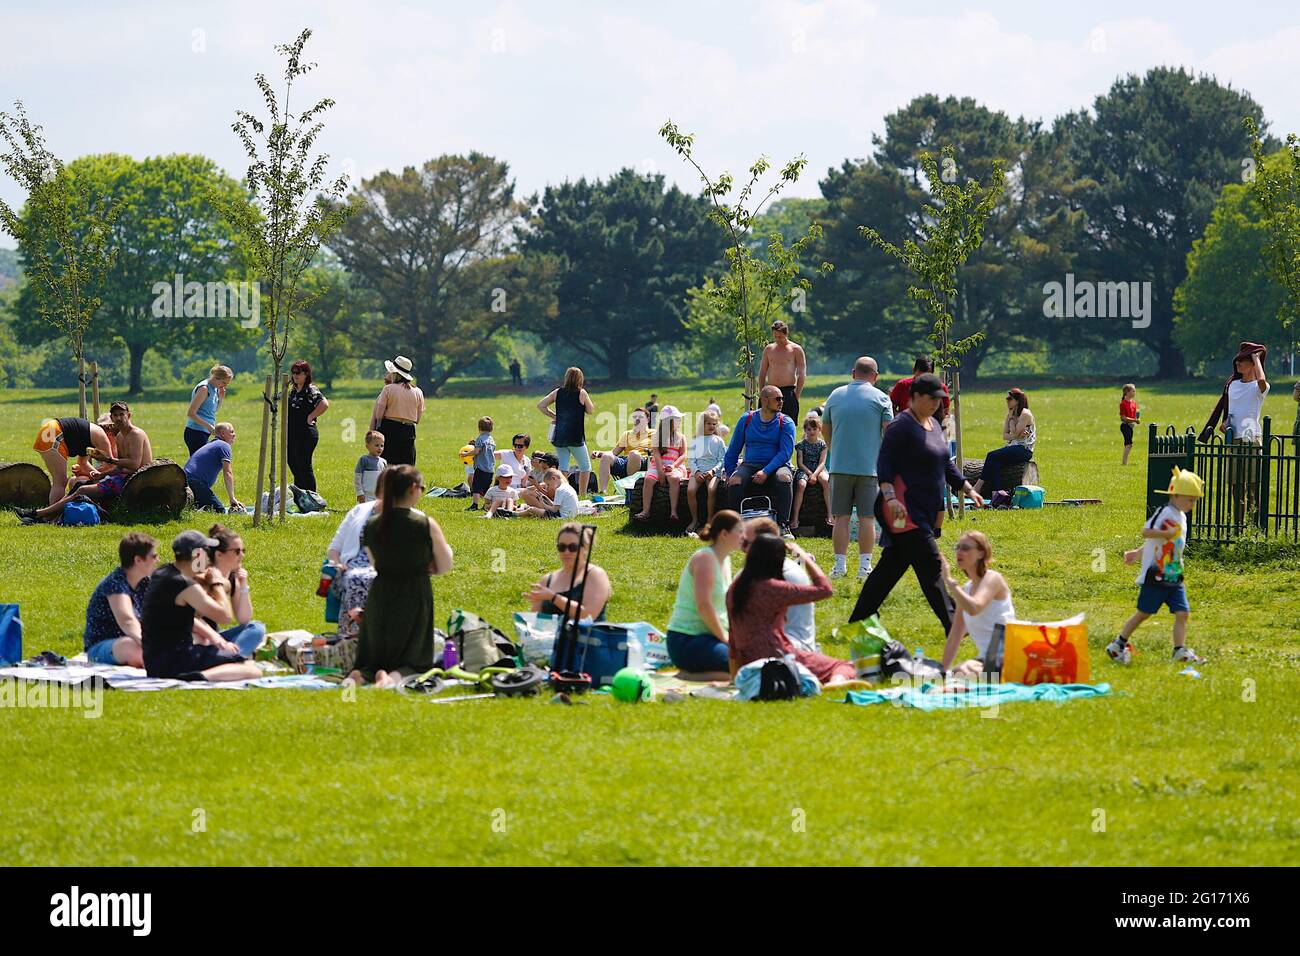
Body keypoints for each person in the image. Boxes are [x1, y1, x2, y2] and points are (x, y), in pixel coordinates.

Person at [849, 374, 985, 639]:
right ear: (915, 397)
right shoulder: (901, 427)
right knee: (931, 565)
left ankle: (859, 618)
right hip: (901, 509)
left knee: (890, 568)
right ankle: (956, 624)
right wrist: (890, 499)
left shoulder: (933, 425)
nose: (937, 403)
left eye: (940, 399)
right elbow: (884, 466)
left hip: (922, 509)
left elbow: (945, 464)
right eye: (931, 398)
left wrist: (968, 489)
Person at [346, 465, 453, 687]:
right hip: (413, 593)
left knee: (373, 658)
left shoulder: (373, 524)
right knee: (413, 660)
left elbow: (376, 563)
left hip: (380, 593)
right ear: (414, 488)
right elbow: (444, 565)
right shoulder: (424, 523)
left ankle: (360, 675)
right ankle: (389, 679)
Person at [1108, 467, 1206, 666]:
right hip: (1156, 575)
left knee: (1183, 612)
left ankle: (1179, 651)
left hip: (1174, 574)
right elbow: (1147, 532)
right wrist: (1161, 536)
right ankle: (1118, 644)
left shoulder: (1181, 516)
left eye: (1194, 500)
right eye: (1190, 499)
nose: (1192, 504)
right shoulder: (1165, 512)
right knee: (1144, 613)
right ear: (1176, 494)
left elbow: (1158, 544)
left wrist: (1138, 552)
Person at [726, 534, 855, 684]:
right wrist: (803, 557)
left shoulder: (735, 589)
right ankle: (835, 683)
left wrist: (735, 680)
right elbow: (825, 589)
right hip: (779, 658)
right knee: (843, 666)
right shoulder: (772, 588)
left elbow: (733, 639)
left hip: (747, 661)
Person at [140, 530, 261, 682]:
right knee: (252, 670)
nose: (209, 557)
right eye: (206, 552)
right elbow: (225, 616)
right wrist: (216, 583)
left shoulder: (163, 573)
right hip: (176, 660)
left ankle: (197, 673)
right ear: (197, 555)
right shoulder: (184, 585)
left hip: (154, 661)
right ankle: (198, 677)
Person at [20, 401, 153, 524]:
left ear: (128, 415)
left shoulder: (134, 434)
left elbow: (126, 464)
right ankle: (49, 516)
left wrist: (99, 471)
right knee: (64, 482)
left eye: (122, 415)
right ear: (111, 420)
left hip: (49, 430)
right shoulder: (113, 436)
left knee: (73, 484)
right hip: (53, 434)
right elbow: (107, 466)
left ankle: (43, 515)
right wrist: (99, 474)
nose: (118, 420)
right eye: (115, 416)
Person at [822, 356, 893, 580]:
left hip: (839, 465)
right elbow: (888, 431)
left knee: (840, 517)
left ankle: (839, 566)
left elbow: (825, 427)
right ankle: (864, 567)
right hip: (869, 468)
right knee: (867, 518)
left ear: (853, 373)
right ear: (876, 376)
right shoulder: (882, 398)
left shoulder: (835, 395)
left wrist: (834, 449)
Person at [664, 510, 744, 679]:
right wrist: (725, 639)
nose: (743, 537)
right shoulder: (705, 559)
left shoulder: (726, 560)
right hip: (687, 640)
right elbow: (704, 606)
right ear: (724, 534)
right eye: (740, 532)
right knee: (740, 667)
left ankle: (710, 674)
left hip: (710, 637)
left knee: (751, 660)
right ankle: (689, 676)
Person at [938, 531, 1015, 673]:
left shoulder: (993, 579)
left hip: (1009, 658)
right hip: (987, 660)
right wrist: (942, 671)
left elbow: (975, 607)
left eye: (965, 548)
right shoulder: (966, 590)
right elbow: (955, 636)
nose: (959, 552)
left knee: (961, 674)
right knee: (957, 674)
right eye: (958, 547)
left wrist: (949, 581)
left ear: (981, 553)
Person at [723, 385, 796, 532]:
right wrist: (730, 474)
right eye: (777, 399)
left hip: (778, 465)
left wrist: (765, 472)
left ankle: (783, 526)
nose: (781, 401)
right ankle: (736, 528)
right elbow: (733, 450)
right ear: (764, 400)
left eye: (782, 398)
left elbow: (785, 453)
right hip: (750, 464)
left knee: (784, 478)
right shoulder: (747, 419)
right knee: (735, 481)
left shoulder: (786, 422)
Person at [743, 516, 820, 655]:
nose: (742, 549)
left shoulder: (786, 574)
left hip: (791, 648)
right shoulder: (752, 572)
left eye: (746, 543)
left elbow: (824, 591)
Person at [82, 532, 158, 667]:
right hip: (102, 648)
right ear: (138, 560)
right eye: (153, 556)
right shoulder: (115, 583)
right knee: (131, 647)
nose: (157, 560)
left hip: (134, 639)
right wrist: (150, 646)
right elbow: (127, 621)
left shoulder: (145, 583)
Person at [327, 479, 386, 639]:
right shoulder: (360, 511)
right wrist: (337, 563)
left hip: (389, 567)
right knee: (357, 579)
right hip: (353, 566)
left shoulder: (412, 517)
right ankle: (350, 639)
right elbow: (335, 547)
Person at [201, 524, 267, 658]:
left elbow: (244, 618)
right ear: (219, 554)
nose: (242, 555)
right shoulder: (204, 577)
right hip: (197, 639)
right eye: (237, 551)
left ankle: (232, 657)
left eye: (243, 550)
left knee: (256, 628)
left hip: (213, 638)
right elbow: (192, 619)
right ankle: (231, 659)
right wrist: (215, 639)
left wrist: (243, 584)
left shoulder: (232, 578)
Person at [526, 523, 611, 621]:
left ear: (586, 547)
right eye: (562, 547)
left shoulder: (595, 575)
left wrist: (553, 597)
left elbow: (588, 615)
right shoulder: (547, 580)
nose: (566, 552)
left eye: (573, 547)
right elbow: (534, 620)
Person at [1223, 345, 1269, 524]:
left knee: (1253, 484)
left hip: (1252, 438)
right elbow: (1229, 407)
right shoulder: (1232, 385)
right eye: (1238, 361)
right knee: (1235, 484)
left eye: (1243, 360)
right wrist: (1225, 421)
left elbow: (1262, 381)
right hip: (1233, 438)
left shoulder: (1259, 388)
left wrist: (1257, 358)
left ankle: (1254, 521)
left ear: (1251, 364)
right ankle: (1238, 522)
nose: (1238, 363)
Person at [31, 414, 115, 508]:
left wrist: (95, 475)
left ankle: (52, 514)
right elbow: (111, 465)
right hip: (54, 433)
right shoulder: (102, 436)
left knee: (60, 480)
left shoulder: (90, 433)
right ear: (110, 431)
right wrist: (101, 478)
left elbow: (82, 464)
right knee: (60, 481)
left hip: (49, 429)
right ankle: (52, 517)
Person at [538, 367, 595, 498]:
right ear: (580, 379)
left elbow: (541, 405)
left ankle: (563, 493)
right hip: (575, 437)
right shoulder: (582, 393)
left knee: (563, 467)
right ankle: (582, 495)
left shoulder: (558, 392)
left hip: (560, 436)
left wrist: (554, 416)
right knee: (585, 467)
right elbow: (591, 410)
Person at [971, 388, 1036, 497]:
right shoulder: (1009, 415)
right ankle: (996, 493)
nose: (1007, 401)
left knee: (991, 455)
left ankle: (977, 487)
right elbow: (1005, 436)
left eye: (1009, 399)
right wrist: (1013, 426)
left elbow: (1014, 433)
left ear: (1017, 400)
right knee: (996, 463)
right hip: (1013, 447)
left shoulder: (1025, 414)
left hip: (1024, 450)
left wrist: (1012, 425)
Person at [633, 405, 687, 523]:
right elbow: (656, 454)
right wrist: (660, 471)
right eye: (677, 419)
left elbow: (683, 455)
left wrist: (674, 466)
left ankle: (673, 512)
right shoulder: (657, 436)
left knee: (674, 478)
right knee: (648, 480)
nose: (679, 421)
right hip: (658, 465)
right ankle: (645, 511)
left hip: (675, 465)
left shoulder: (681, 437)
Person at [369, 355, 425, 466]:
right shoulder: (418, 392)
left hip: (390, 429)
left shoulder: (388, 389)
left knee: (388, 465)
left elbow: (379, 415)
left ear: (395, 373)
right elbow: (417, 419)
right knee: (405, 467)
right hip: (409, 431)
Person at [286, 359, 329, 492]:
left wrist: (311, 416)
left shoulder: (310, 389)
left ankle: (312, 497)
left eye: (299, 373)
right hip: (293, 433)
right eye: (294, 373)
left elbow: (324, 404)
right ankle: (300, 495)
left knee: (304, 465)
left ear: (306, 374)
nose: (295, 375)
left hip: (306, 434)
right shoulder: (293, 391)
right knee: (292, 462)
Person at [183, 422, 241, 513]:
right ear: (222, 433)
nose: (234, 435)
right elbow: (227, 472)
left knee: (198, 507)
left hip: (185, 480)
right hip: (195, 482)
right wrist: (232, 498)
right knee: (219, 511)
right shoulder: (224, 445)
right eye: (231, 432)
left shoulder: (212, 444)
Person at [685, 409, 727, 534]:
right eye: (708, 423)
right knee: (690, 490)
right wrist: (697, 472)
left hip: (713, 471)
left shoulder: (718, 441)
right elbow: (691, 460)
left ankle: (709, 520)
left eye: (714, 424)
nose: (711, 426)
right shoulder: (696, 441)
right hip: (698, 471)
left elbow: (722, 459)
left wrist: (713, 471)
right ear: (702, 424)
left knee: (711, 489)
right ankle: (695, 520)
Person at [758, 319, 806, 424]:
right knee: (766, 422)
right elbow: (762, 372)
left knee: (786, 424)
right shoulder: (769, 349)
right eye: (775, 336)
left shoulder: (796, 349)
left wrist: (796, 395)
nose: (778, 339)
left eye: (780, 337)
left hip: (788, 392)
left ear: (786, 334)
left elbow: (802, 375)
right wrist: (762, 392)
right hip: (771, 391)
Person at [594, 409, 652, 495]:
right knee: (606, 456)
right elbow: (614, 453)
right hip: (626, 461)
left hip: (645, 461)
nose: (637, 419)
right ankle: (603, 492)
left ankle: (630, 491)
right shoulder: (627, 434)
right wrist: (600, 453)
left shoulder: (654, 433)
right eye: (635, 417)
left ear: (648, 419)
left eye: (640, 417)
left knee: (634, 454)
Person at [790, 414, 832, 531]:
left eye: (815, 429)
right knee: (801, 484)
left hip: (818, 469)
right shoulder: (801, 445)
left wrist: (815, 474)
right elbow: (800, 463)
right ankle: (795, 517)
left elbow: (822, 462)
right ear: (805, 430)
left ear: (819, 430)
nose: (812, 431)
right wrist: (810, 474)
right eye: (809, 429)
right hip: (805, 469)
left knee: (825, 480)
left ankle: (830, 513)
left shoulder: (822, 444)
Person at [184, 365, 233, 457]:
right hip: (195, 432)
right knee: (200, 463)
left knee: (201, 462)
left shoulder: (214, 389)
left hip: (203, 432)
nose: (224, 386)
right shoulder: (204, 389)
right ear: (216, 378)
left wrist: (221, 398)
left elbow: (212, 411)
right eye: (224, 382)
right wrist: (210, 427)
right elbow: (191, 413)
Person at [467, 416, 497, 510]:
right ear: (491, 428)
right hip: (490, 468)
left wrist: (466, 454)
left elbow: (476, 451)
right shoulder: (492, 440)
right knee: (486, 488)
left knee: (476, 487)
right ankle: (486, 505)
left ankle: (475, 505)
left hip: (480, 468)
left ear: (479, 428)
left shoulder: (480, 439)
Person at [354, 430, 388, 503]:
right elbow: (357, 477)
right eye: (376, 445)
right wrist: (360, 493)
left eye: (382, 445)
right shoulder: (364, 460)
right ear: (367, 446)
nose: (380, 448)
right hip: (366, 496)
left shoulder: (383, 462)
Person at [1120, 383, 1140, 466]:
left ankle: (1124, 462)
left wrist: (1137, 418)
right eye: (1133, 391)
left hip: (1131, 426)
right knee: (1128, 444)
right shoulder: (1123, 403)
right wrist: (1134, 420)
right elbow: (1123, 418)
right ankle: (1124, 463)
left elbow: (1136, 412)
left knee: (1129, 445)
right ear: (1127, 392)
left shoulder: (1134, 403)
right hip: (1125, 426)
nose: (1134, 392)